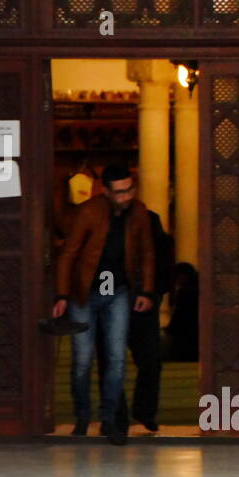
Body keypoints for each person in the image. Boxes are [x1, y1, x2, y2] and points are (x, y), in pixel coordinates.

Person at [52, 163, 155, 445]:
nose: (125, 197)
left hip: (117, 291)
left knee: (117, 358)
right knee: (83, 360)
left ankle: (109, 419)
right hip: (85, 292)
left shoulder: (139, 213)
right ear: (106, 192)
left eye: (129, 191)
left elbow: (147, 252)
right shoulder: (89, 212)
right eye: (119, 193)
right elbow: (68, 254)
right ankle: (83, 416)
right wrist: (62, 295)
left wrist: (146, 290)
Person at [128, 208, 172, 432]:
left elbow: (161, 263)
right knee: (114, 361)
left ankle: (144, 412)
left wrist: (153, 294)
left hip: (144, 303)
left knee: (150, 361)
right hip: (118, 300)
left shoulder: (149, 222)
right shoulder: (104, 220)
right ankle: (116, 416)